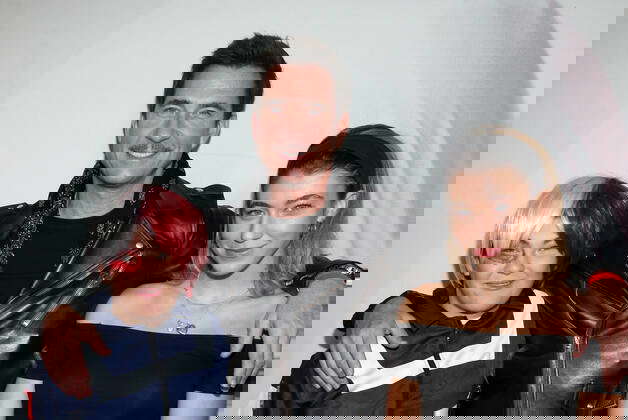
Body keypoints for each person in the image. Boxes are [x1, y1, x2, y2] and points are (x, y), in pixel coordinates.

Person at [19, 125, 400, 419]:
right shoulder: (159, 243)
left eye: (299, 207)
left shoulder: (294, 308)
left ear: (334, 216)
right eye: (268, 200)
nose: (258, 225)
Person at [0, 33, 289, 414]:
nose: (165, 130)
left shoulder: (184, 236)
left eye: (205, 114)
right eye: (172, 106)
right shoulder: (13, 221)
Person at [260, 176, 628, 416]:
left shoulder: (529, 373)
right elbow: (292, 398)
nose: (503, 250)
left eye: (540, 247)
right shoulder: (408, 310)